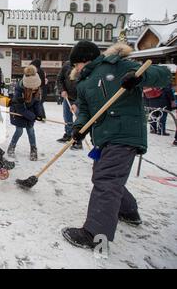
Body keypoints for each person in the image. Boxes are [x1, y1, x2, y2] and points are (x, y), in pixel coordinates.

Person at [62, 41, 171, 250]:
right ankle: (128, 211)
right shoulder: (84, 84)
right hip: (103, 137)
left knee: (107, 179)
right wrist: (79, 128)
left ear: (84, 60)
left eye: (76, 64)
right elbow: (84, 111)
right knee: (106, 177)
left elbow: (163, 75)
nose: (75, 69)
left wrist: (139, 77)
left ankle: (95, 235)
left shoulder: (118, 65)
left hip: (124, 133)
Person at [7, 65, 43, 161]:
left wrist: (40, 114)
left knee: (30, 130)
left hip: (29, 112)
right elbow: (20, 109)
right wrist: (32, 116)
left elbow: (37, 103)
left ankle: (33, 149)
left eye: (36, 88)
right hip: (17, 112)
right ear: (28, 87)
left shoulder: (37, 89)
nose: (35, 89)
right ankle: (11, 147)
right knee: (19, 130)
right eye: (33, 88)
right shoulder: (19, 91)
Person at [56, 61, 83, 150]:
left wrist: (77, 102)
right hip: (68, 96)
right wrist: (62, 90)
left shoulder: (85, 66)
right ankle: (68, 135)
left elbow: (86, 87)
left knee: (79, 120)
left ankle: (78, 141)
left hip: (80, 98)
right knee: (67, 118)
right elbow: (60, 79)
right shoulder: (67, 65)